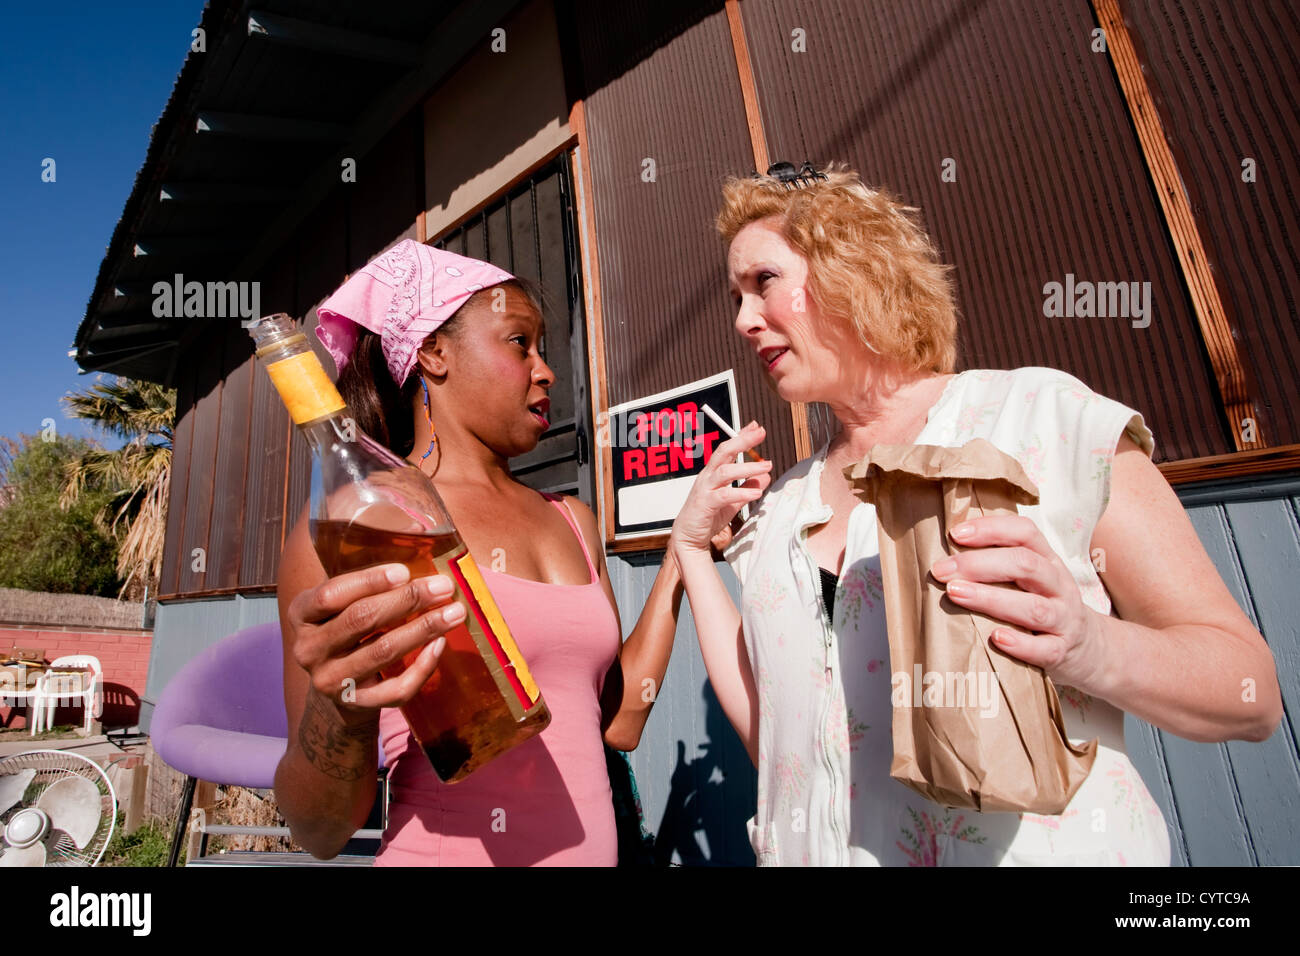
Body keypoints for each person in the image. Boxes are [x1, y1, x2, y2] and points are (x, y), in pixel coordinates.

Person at [668, 164, 1283, 866]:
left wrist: (1087, 645)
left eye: (764, 282)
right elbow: (774, 740)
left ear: (853, 268)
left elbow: (1252, 692)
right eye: (736, 295)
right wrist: (691, 547)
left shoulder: (1041, 420)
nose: (743, 321)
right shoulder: (782, 508)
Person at [273, 239, 681, 866]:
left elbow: (614, 723)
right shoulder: (362, 524)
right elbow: (318, 831)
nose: (545, 370)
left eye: (543, 349)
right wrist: (341, 702)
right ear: (433, 353)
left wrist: (682, 555)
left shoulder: (571, 520)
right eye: (520, 343)